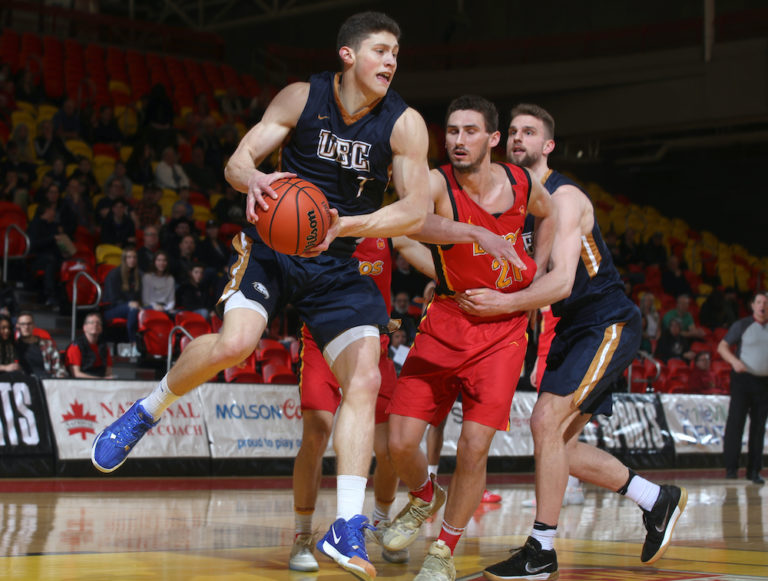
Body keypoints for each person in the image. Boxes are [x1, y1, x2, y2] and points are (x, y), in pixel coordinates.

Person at [90, 13, 518, 581]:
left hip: (339, 262)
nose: (392, 61)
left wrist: (346, 226)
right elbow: (238, 161)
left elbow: (415, 209)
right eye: (382, 51)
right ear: (348, 55)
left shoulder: (405, 123)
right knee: (235, 345)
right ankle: (145, 412)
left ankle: (345, 527)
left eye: (397, 53)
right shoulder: (301, 96)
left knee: (365, 380)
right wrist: (255, 180)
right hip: (275, 248)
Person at [453, 103, 687, 579]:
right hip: (569, 327)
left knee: (544, 423)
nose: (519, 138)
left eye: (530, 132)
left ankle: (541, 549)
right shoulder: (515, 204)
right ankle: (656, 499)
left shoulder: (564, 197)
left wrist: (499, 306)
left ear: (548, 145)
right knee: (560, 442)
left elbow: (559, 283)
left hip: (605, 320)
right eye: (513, 131)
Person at [376, 95, 554, 581]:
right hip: (449, 316)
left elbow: (551, 210)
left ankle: (443, 551)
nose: (458, 140)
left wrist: (545, 270)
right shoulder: (437, 182)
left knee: (474, 445)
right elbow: (407, 221)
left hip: (503, 329)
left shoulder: (522, 182)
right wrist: (474, 236)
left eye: (470, 131)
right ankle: (424, 497)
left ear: (493, 139)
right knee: (398, 443)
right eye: (452, 131)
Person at [289, 235, 434, 572]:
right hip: (320, 341)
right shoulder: (317, 224)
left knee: (388, 450)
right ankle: (303, 534)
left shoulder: (386, 228)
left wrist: (454, 276)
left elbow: (418, 251)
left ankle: (381, 524)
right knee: (315, 436)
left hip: (374, 346)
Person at [718, 292, 768, 484]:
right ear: (753, 305)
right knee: (736, 423)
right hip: (742, 380)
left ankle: (754, 470)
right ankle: (731, 468)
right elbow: (722, 346)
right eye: (760, 302)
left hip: (764, 383)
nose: (763, 306)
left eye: (766, 303)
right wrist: (734, 361)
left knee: (759, 427)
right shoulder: (743, 325)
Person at [102, 246, 142, 353]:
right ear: (124, 259)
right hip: (111, 310)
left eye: (134, 257)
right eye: (129, 257)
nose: (132, 260)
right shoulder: (114, 274)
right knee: (132, 310)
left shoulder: (138, 275)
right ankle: (133, 343)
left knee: (146, 310)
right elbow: (112, 299)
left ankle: (143, 346)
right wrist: (128, 304)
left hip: (131, 308)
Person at [15, 312, 68, 378]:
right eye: (23, 324)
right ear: (17, 326)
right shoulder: (14, 346)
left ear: (34, 325)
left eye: (29, 324)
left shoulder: (47, 345)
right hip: (24, 383)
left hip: (47, 382)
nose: (26, 327)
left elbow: (59, 368)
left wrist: (60, 377)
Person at [66, 312, 114, 379]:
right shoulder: (75, 346)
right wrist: (100, 380)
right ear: (84, 327)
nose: (95, 325)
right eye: (91, 322)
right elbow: (76, 374)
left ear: (101, 328)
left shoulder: (104, 347)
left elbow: (108, 373)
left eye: (98, 323)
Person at [141, 250, 176, 316]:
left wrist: (167, 308)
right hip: (151, 307)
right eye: (159, 260)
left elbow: (171, 300)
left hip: (165, 308)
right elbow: (145, 300)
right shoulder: (147, 277)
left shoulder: (170, 279)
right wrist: (155, 306)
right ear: (154, 262)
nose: (161, 263)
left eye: (164, 260)